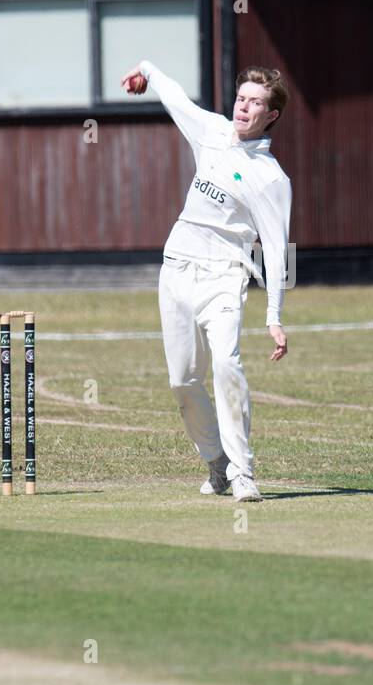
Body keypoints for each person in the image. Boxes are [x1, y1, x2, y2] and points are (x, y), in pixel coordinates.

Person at [120, 60, 292, 502]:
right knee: (182, 380)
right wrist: (147, 70)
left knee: (226, 365)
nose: (244, 108)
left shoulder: (272, 179)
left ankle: (243, 471)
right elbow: (177, 100)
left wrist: (274, 315)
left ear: (271, 114)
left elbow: (276, 248)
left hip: (225, 276)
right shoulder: (212, 131)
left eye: (256, 103)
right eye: (241, 98)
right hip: (177, 267)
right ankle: (216, 463)